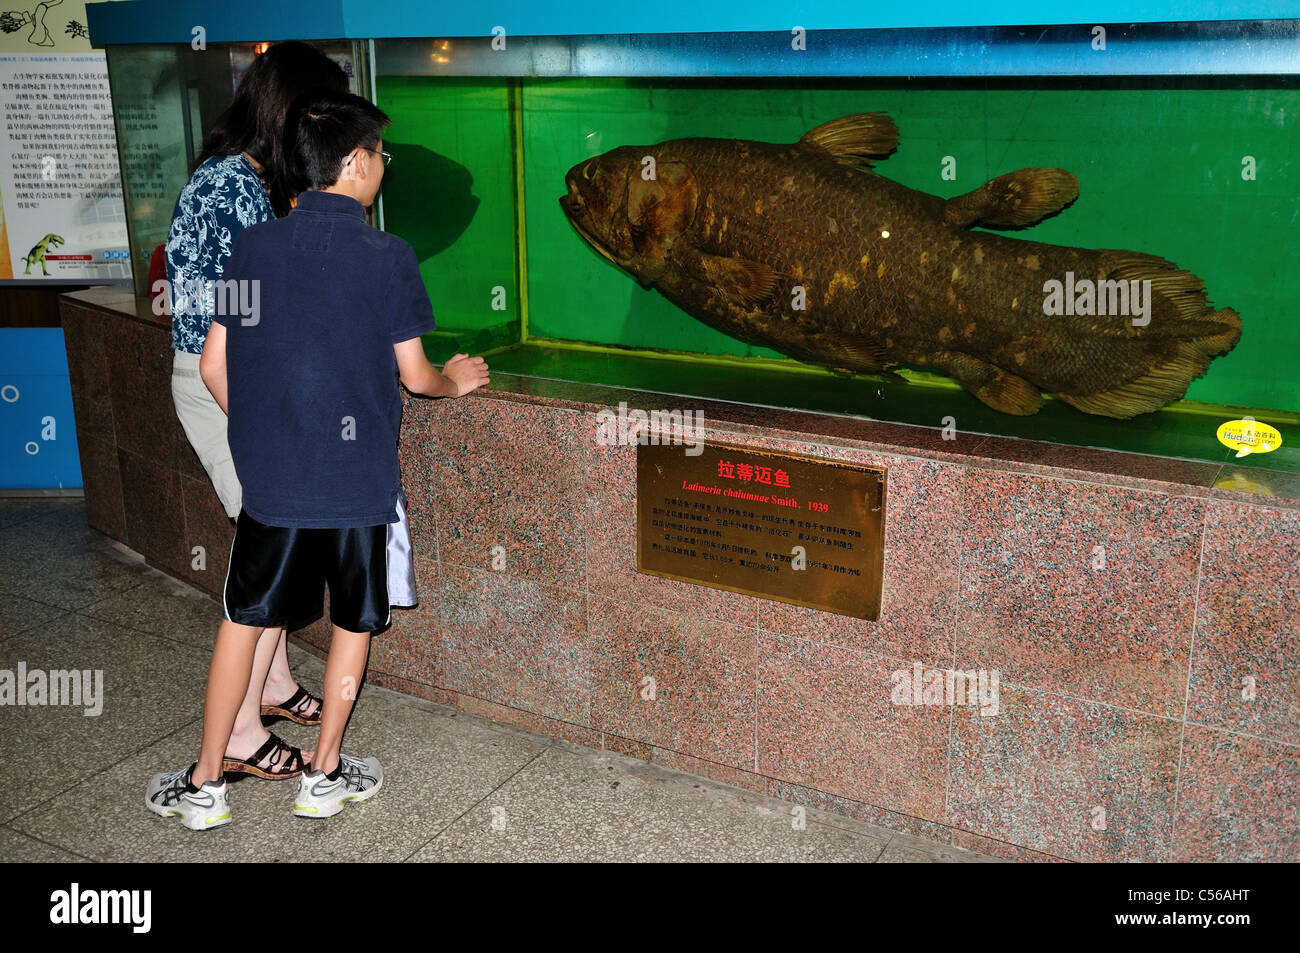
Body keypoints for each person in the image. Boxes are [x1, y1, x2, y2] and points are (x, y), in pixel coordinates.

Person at [147, 88, 490, 828]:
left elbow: (214, 365)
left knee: (244, 617)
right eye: (382, 156)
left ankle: (206, 783)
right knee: (352, 624)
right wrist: (456, 382)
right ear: (357, 161)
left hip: (273, 481)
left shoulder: (253, 247)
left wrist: (269, 431)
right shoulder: (387, 255)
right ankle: (323, 772)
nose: (383, 169)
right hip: (358, 483)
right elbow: (415, 373)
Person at [165, 42, 349, 780]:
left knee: (280, 543)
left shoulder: (244, 180)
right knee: (268, 554)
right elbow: (227, 333)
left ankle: (269, 686)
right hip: (223, 389)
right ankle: (237, 733)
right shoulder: (231, 192)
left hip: (236, 380)